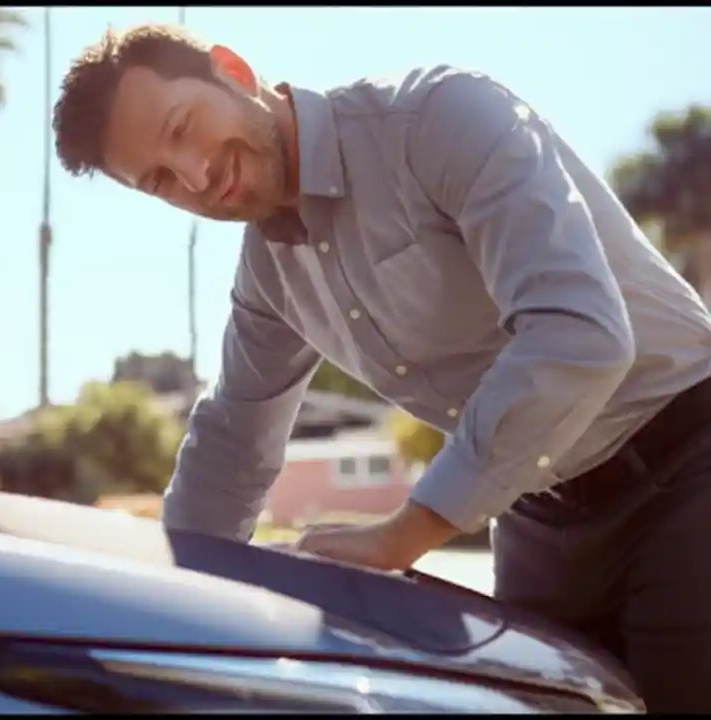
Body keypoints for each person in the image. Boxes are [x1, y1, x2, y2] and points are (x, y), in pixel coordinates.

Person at [50, 23, 711, 712]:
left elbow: (580, 333)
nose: (194, 176)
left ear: (233, 69)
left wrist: (405, 533)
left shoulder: (442, 119)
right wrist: (159, 604)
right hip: (537, 517)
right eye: (159, 180)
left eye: (183, 127)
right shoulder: (269, 279)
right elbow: (231, 446)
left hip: (688, 469)